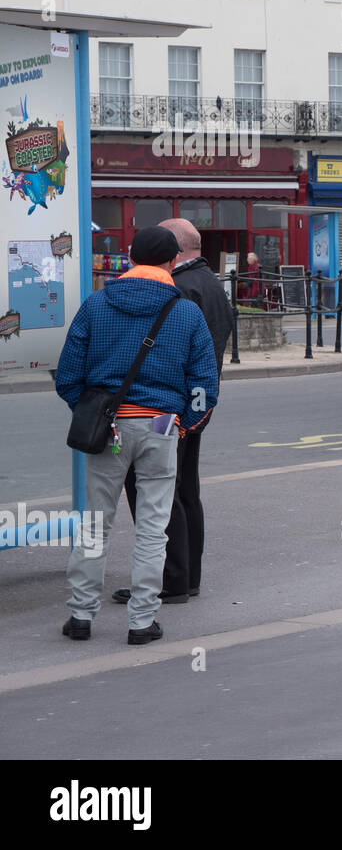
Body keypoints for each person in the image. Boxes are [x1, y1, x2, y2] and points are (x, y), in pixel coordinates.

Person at [55, 226, 218, 645]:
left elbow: (69, 375)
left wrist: (92, 413)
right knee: (152, 525)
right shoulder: (184, 312)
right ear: (172, 261)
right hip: (161, 425)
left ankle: (80, 615)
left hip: (108, 428)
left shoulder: (96, 304)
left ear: (129, 256)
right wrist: (183, 424)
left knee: (95, 521)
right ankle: (141, 621)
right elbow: (203, 382)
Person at [112, 219, 231, 606]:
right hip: (195, 404)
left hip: (167, 409)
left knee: (156, 491)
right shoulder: (211, 283)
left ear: (174, 249)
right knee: (185, 491)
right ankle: (187, 575)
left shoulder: (180, 288)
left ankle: (169, 579)